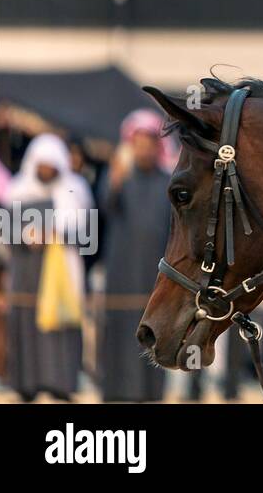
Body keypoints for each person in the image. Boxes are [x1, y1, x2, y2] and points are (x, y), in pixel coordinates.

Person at [2, 133, 94, 401]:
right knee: (25, 323)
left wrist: (57, 234)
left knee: (60, 328)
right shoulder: (18, 189)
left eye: (51, 166)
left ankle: (61, 383)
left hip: (62, 273)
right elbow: (3, 231)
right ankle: (25, 384)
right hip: (25, 272)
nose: (46, 171)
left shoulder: (74, 190)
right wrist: (25, 235)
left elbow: (87, 234)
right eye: (42, 165)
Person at [98, 109, 172, 402]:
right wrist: (115, 179)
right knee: (119, 332)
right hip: (121, 272)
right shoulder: (118, 177)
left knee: (154, 334)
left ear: (158, 145)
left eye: (150, 141)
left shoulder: (169, 181)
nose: (144, 147)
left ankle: (149, 394)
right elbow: (106, 206)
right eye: (138, 141)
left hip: (156, 277)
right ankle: (116, 392)